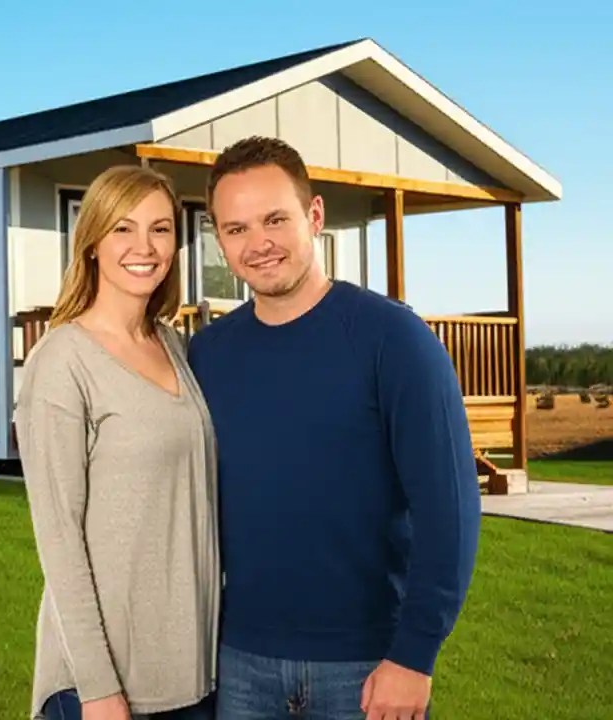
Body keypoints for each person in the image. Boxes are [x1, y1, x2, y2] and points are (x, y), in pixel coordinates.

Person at [185, 136, 481, 719]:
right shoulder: (208, 355)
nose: (258, 244)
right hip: (240, 661)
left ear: (315, 215)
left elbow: (450, 510)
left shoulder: (393, 341)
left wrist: (415, 656)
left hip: (368, 667)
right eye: (236, 228)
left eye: (275, 219)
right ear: (218, 238)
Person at [13, 164, 220, 720]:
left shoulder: (175, 347)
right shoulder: (62, 360)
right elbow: (58, 541)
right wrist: (98, 689)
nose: (144, 246)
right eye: (122, 229)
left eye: (160, 229)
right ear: (92, 245)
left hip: (193, 679)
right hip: (103, 692)